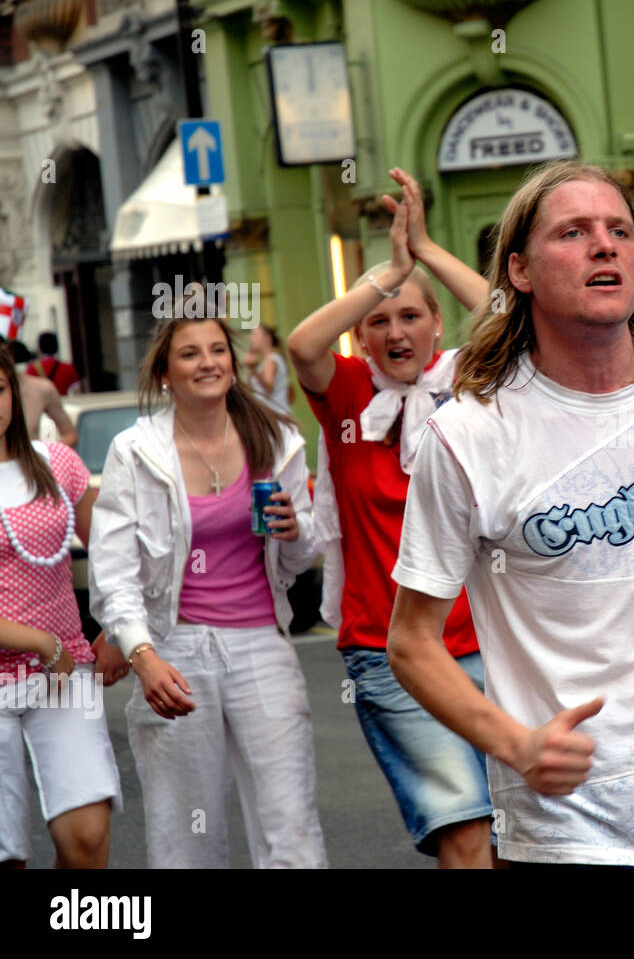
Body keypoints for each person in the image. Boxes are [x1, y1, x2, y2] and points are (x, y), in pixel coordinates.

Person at [387, 160, 634, 868]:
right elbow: (410, 643)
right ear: (521, 271)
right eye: (574, 232)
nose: (605, 245)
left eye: (619, 230)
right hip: (569, 835)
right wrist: (516, 745)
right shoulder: (468, 435)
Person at [287, 167, 496, 868]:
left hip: (491, 641)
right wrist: (387, 274)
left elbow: (510, 318)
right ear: (364, 337)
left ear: (437, 324)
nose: (395, 330)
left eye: (411, 315)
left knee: (516, 836)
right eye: (379, 321)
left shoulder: (469, 384)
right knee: (464, 834)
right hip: (388, 652)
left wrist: (428, 252)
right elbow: (304, 346)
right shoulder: (347, 394)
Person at [89, 312, 326, 868]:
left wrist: (295, 530)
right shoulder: (136, 451)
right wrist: (143, 657)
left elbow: (296, 562)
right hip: (176, 647)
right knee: (185, 834)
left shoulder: (277, 441)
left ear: (233, 363)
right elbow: (113, 572)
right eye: (190, 353)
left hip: (263, 645)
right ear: (166, 374)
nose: (208, 363)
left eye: (217, 350)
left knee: (289, 825)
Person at [0, 348, 121, 868]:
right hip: (45, 655)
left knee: (87, 840)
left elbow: (112, 550)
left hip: (63, 672)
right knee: (7, 855)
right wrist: (39, 642)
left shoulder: (58, 463)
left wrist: (119, 628)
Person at [5, 341, 76, 446]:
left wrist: (43, 456)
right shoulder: (67, 366)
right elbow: (77, 388)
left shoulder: (36, 377)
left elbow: (70, 434)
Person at [242, 325, 292, 413]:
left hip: (277, 417)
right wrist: (251, 369)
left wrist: (253, 369)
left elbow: (269, 388)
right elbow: (250, 390)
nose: (252, 339)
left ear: (267, 338)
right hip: (267, 417)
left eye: (255, 335)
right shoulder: (264, 363)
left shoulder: (272, 360)